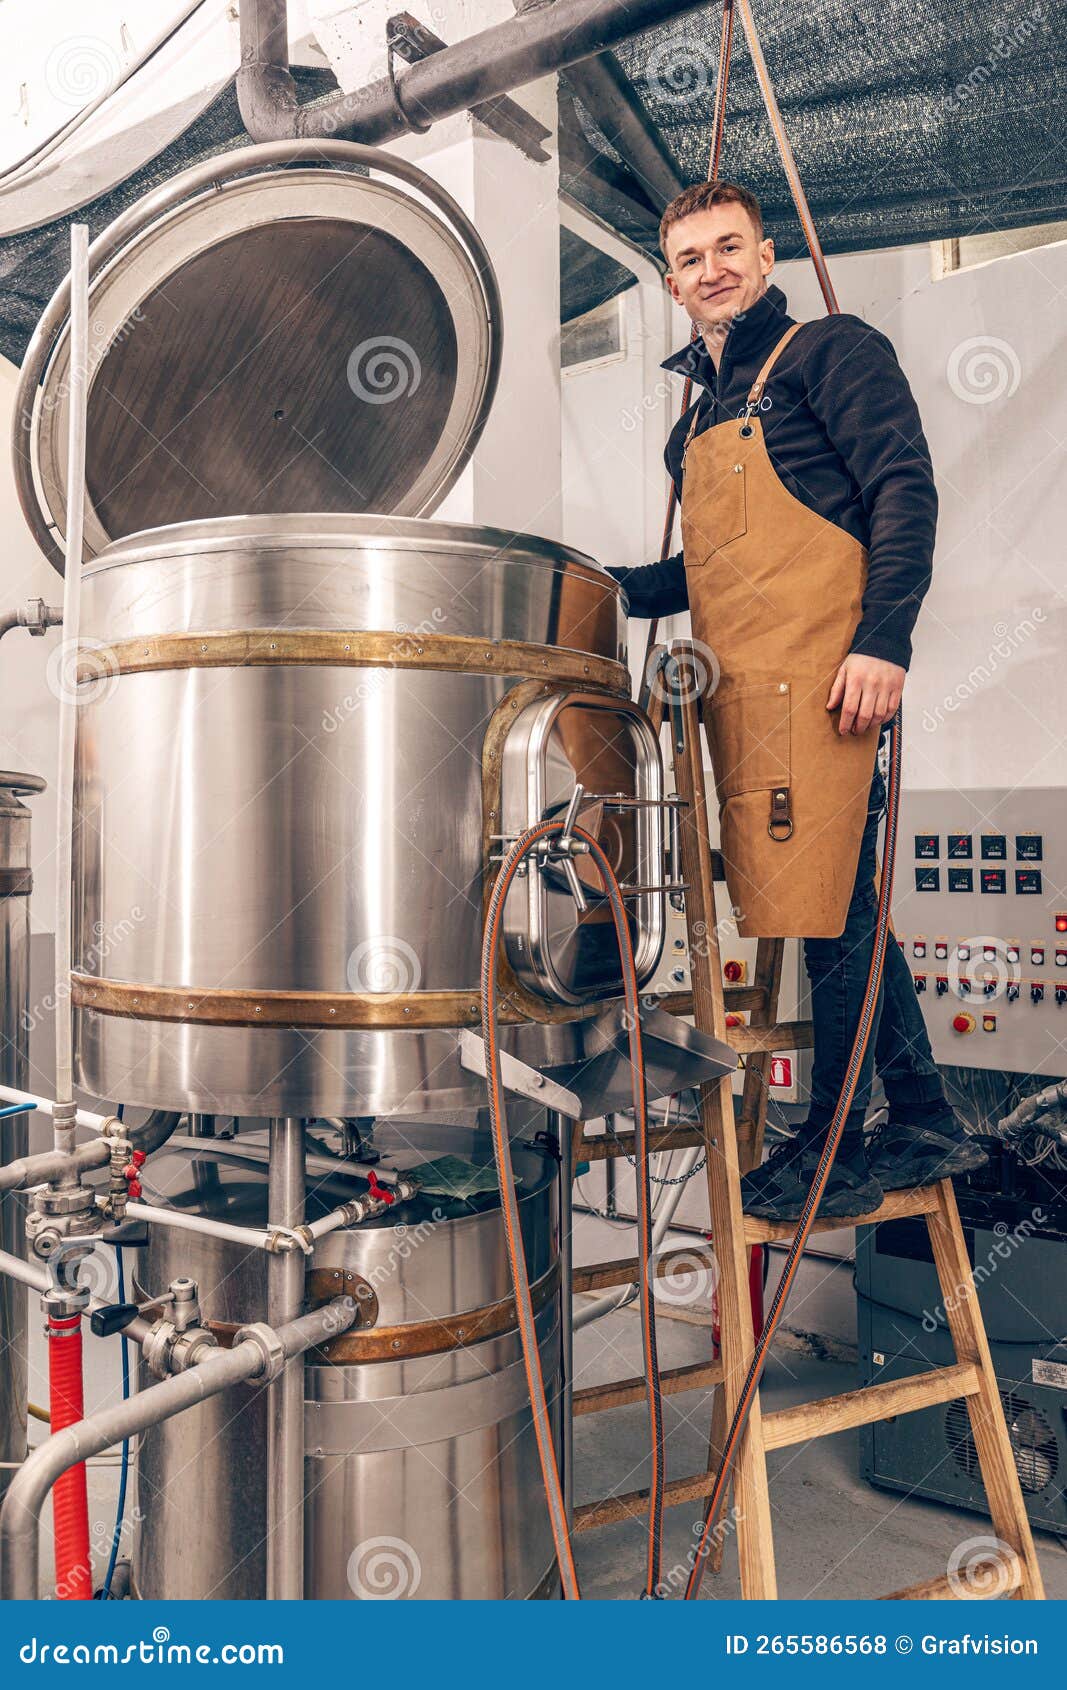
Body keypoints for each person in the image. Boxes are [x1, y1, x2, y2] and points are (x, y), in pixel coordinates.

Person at [608, 180, 985, 1220]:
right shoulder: (693, 419)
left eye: (727, 248)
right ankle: (917, 1112)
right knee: (836, 907)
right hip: (742, 696)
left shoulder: (830, 353)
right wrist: (603, 586)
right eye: (688, 258)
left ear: (764, 258)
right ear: (671, 282)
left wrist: (882, 643)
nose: (710, 269)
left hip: (827, 684)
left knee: (825, 916)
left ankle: (832, 1139)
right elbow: (710, 574)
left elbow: (901, 490)